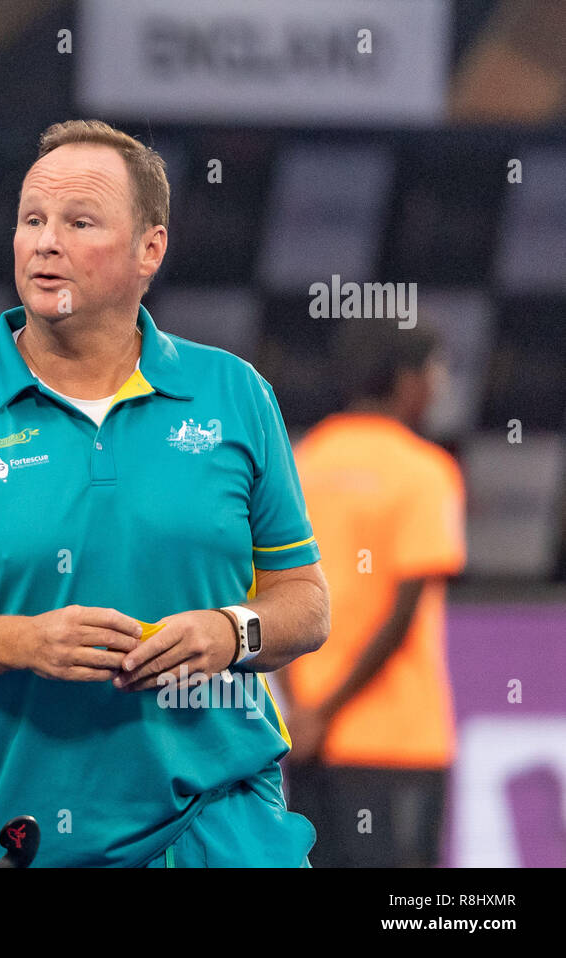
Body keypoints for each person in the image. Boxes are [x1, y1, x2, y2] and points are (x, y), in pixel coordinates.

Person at [0, 120, 330, 867]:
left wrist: (232, 633)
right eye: (31, 219)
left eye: (79, 221)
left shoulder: (234, 393)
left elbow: (307, 602)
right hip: (34, 838)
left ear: (149, 251)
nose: (45, 241)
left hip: (229, 827)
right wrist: (22, 641)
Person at [275, 321, 465, 868]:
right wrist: (331, 710)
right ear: (405, 381)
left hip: (309, 743)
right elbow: (401, 617)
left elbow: (274, 596)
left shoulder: (298, 462)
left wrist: (304, 712)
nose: (440, 385)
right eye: (435, 371)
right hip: (399, 739)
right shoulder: (424, 471)